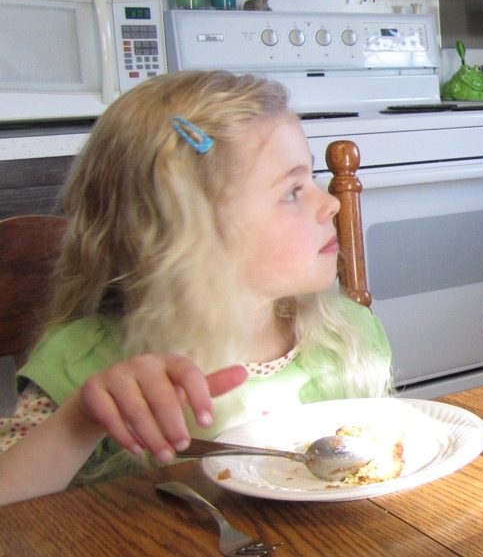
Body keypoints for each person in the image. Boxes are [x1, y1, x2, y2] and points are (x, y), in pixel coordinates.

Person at [0, 71, 392, 505]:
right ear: (184, 238)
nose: (331, 202)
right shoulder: (86, 365)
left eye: (312, 178)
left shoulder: (348, 335)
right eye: (291, 191)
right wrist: (81, 420)